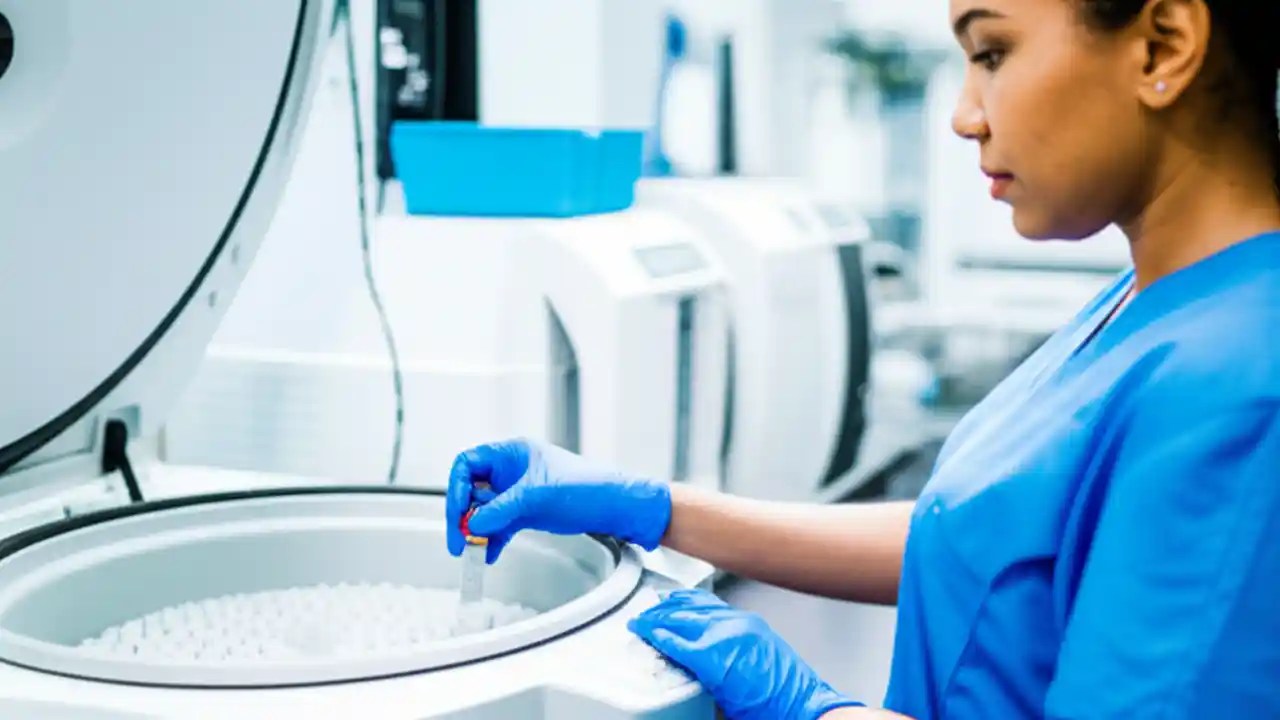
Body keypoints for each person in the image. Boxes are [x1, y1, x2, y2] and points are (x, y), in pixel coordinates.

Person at [445, 0, 1280, 717]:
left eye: (992, 52)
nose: (965, 114)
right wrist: (658, 510)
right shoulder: (1149, 297)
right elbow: (980, 540)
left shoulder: (1240, 385)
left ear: (1163, 44)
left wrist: (815, 709)